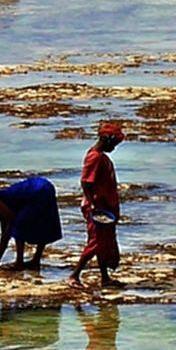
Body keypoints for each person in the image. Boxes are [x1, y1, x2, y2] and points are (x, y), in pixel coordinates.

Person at [69, 122, 125, 288]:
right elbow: (86, 182)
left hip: (105, 205)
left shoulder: (101, 157)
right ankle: (74, 275)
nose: (114, 148)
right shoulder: (95, 157)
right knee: (96, 242)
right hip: (98, 206)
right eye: (114, 144)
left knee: (103, 242)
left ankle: (105, 277)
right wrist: (93, 204)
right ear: (105, 140)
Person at [0, 176, 63, 270]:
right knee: (43, 223)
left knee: (18, 226)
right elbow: (5, 234)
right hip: (46, 186)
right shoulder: (0, 203)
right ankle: (35, 261)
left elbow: (12, 223)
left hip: (37, 192)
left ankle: (19, 263)